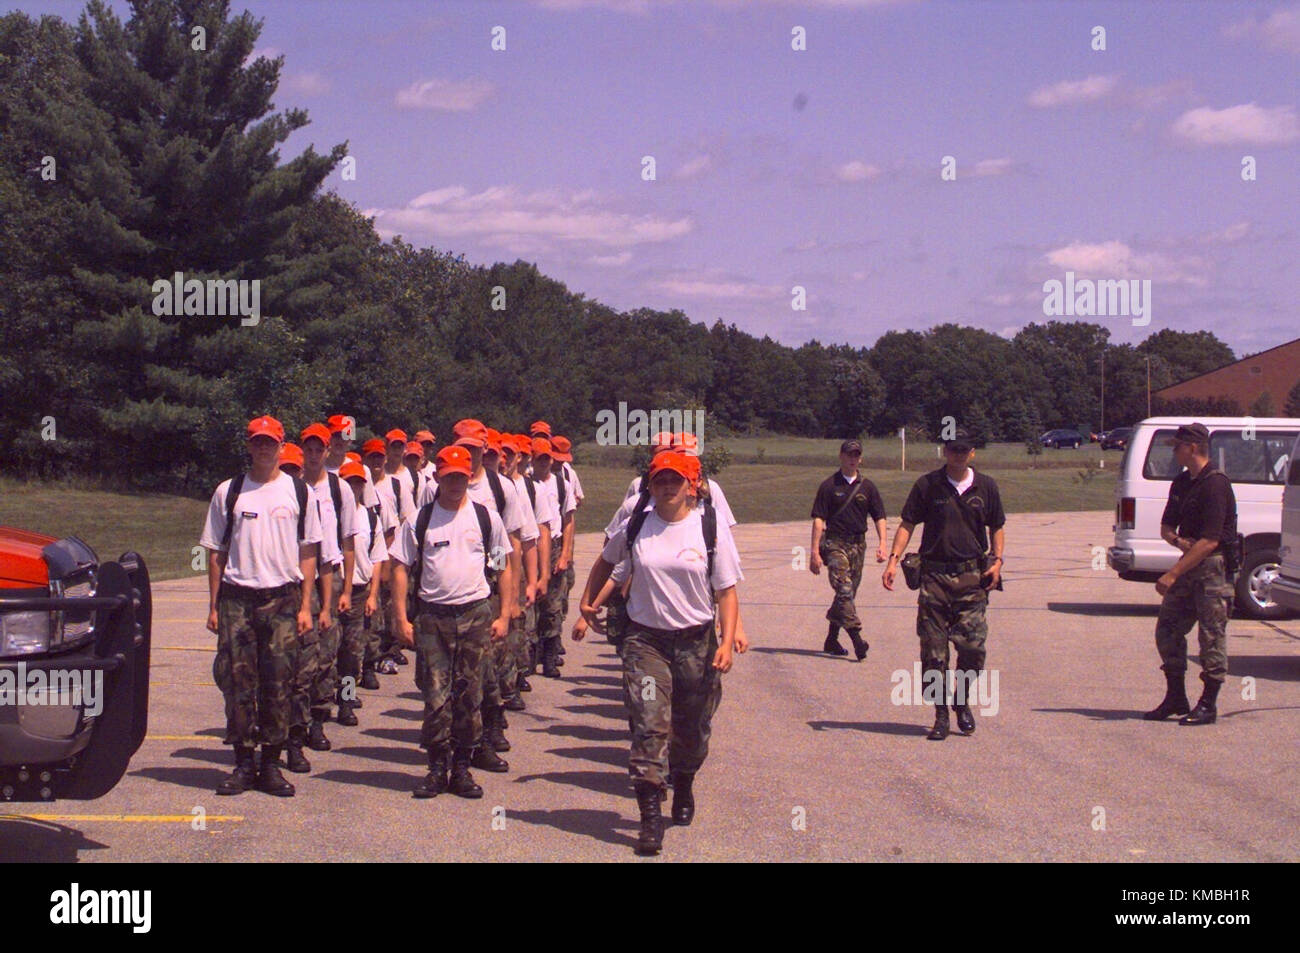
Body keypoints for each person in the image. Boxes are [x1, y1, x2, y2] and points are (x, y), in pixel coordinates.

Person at [575, 450, 741, 855]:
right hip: (645, 643)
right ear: (650, 485)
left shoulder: (709, 528)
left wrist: (727, 638)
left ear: (691, 486)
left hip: (696, 643)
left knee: (692, 729)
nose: (667, 486)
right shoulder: (637, 525)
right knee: (649, 725)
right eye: (660, 480)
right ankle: (650, 817)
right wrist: (586, 602)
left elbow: (726, 591)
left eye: (675, 480)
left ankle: (682, 781)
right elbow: (606, 561)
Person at [199, 415, 322, 798]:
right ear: (249, 445)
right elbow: (216, 553)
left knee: (278, 684)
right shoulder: (229, 491)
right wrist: (214, 605)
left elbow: (308, 553)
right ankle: (243, 762)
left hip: (282, 599)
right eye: (257, 442)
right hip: (237, 598)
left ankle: (271, 763)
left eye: (271, 442)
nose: (264, 448)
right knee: (237, 684)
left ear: (282, 446)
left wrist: (305, 606)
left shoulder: (299, 492)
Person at [390, 446, 514, 799]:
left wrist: (505, 614)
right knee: (435, 696)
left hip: (474, 616)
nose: (455, 482)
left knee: (469, 695)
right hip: (433, 618)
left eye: (461, 476)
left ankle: (462, 768)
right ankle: (436, 768)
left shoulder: (487, 518)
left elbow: (502, 567)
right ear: (438, 477)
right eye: (449, 477)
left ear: (468, 476)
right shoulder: (420, 519)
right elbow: (399, 567)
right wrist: (400, 618)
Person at [882, 428, 1004, 741]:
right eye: (953, 450)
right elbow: (908, 523)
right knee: (934, 655)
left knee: (972, 649)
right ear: (944, 452)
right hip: (934, 579)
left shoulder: (985, 487)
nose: (958, 455)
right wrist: (894, 560)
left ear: (972, 453)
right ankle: (939, 715)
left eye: (964, 450)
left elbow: (997, 527)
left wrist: (998, 560)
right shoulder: (928, 485)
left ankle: (961, 701)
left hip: (971, 581)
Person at [1144, 422, 1238, 725]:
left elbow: (1211, 541)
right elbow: (1166, 527)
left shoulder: (1216, 484)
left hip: (1212, 569)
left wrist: (1171, 574)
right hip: (1189, 561)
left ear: (1193, 447)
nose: (1174, 451)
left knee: (1211, 636)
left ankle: (1208, 704)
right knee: (1168, 629)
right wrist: (1178, 541)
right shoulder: (1182, 482)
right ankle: (1175, 697)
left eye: (1178, 446)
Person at [290, 423, 358, 768]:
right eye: (309, 449)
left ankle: (320, 719)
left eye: (320, 449)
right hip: (298, 577)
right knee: (299, 658)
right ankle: (294, 727)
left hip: (328, 577)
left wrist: (346, 588)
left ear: (329, 450)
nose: (314, 455)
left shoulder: (340, 488)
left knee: (328, 655)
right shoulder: (291, 485)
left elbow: (348, 540)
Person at [809, 439, 886, 660]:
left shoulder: (867, 487)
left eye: (856, 455)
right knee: (844, 589)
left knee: (848, 594)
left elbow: (879, 516)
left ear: (860, 458)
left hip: (858, 545)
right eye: (849, 455)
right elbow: (818, 520)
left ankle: (831, 639)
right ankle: (857, 640)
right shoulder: (829, 486)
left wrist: (882, 544)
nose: (853, 459)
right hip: (834, 544)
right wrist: (814, 552)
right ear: (841, 456)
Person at [337, 460, 387, 727]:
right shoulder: (330, 514)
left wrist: (372, 595)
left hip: (359, 591)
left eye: (357, 483)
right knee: (325, 654)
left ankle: (346, 702)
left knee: (352, 653)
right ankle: (319, 704)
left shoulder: (369, 517)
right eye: (348, 482)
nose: (353, 487)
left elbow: (377, 558)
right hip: (333, 591)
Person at [530, 437, 576, 678]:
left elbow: (569, 521)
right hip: (531, 549)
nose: (545, 463)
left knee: (553, 605)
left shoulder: (562, 485)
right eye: (540, 459)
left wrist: (565, 554)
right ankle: (528, 657)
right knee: (530, 605)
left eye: (548, 459)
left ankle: (549, 657)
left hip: (555, 546)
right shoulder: (526, 484)